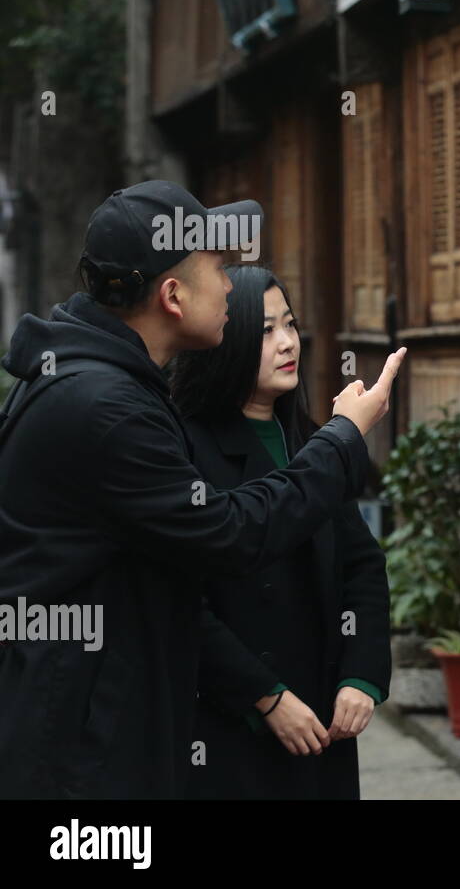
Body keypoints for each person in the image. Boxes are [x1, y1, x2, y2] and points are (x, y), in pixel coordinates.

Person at [0, 180, 404, 798]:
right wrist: (347, 435)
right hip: (83, 748)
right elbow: (229, 533)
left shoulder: (106, 384)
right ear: (171, 294)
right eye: (218, 269)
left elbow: (354, 562)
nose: (227, 286)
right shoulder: (105, 406)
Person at [171, 265, 391, 799]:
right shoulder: (185, 446)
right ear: (227, 337)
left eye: (290, 325)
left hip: (324, 716)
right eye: (266, 330)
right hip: (229, 723)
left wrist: (359, 677)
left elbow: (360, 564)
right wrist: (264, 696)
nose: (288, 342)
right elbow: (180, 600)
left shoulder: (309, 441)